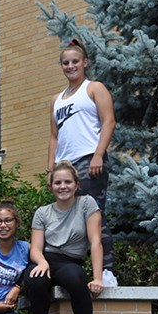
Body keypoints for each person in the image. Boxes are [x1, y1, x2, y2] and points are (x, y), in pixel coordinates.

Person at [10, 161, 105, 314]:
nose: (63, 186)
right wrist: (42, 261)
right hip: (45, 259)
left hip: (71, 261)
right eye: (58, 182)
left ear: (76, 184)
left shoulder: (87, 204)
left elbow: (96, 241)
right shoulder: (43, 212)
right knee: (35, 280)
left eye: (68, 182)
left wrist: (98, 278)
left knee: (75, 277)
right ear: (51, 186)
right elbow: (35, 248)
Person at [47, 38, 117, 286]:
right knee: (69, 218)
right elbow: (54, 136)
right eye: (65, 62)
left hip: (89, 159)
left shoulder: (94, 88)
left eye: (75, 61)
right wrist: (51, 168)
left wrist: (99, 154)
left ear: (84, 62)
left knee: (94, 215)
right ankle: (72, 270)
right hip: (65, 166)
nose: (70, 66)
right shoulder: (57, 99)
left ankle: (106, 271)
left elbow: (109, 121)